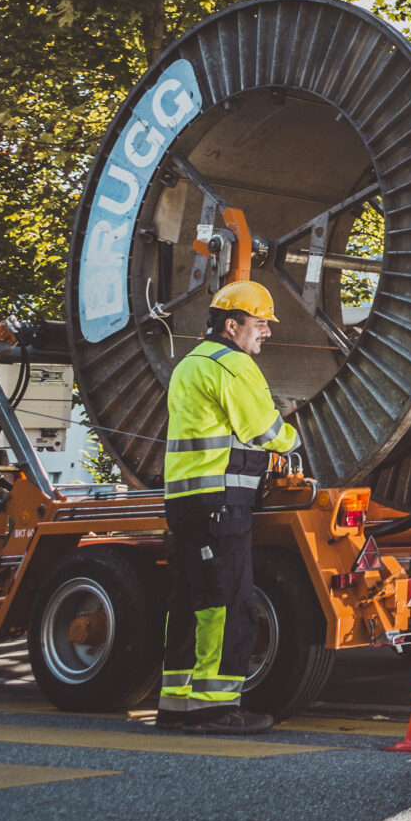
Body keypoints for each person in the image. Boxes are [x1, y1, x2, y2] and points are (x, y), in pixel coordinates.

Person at [158, 279, 298, 732]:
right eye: (260, 324)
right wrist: (292, 434)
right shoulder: (232, 365)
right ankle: (217, 709)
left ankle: (177, 705)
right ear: (232, 324)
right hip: (220, 503)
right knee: (228, 602)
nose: (267, 332)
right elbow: (266, 432)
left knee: (191, 601)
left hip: (186, 499)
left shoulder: (189, 364)